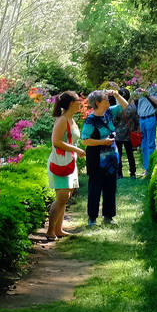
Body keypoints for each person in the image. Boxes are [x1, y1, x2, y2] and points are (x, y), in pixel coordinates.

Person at [81, 88, 129, 226]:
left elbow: (125, 106)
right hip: (97, 160)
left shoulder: (108, 112)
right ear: (97, 102)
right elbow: (85, 140)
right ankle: (92, 218)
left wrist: (117, 94)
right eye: (105, 99)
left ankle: (108, 216)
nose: (108, 100)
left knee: (110, 187)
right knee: (95, 188)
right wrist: (103, 142)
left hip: (112, 159)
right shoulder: (91, 120)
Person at [46, 90, 87, 239]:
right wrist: (76, 149)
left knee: (66, 195)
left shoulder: (71, 119)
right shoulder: (63, 120)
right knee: (62, 196)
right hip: (60, 162)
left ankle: (58, 229)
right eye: (78, 101)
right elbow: (55, 142)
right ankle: (50, 231)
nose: (81, 103)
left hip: (68, 162)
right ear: (71, 103)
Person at [134, 83, 157, 177]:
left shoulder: (154, 88)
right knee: (143, 145)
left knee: (150, 144)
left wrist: (147, 94)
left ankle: (151, 168)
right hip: (141, 119)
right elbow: (132, 102)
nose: (138, 78)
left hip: (150, 118)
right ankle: (146, 169)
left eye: (140, 76)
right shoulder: (137, 90)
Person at [113, 87, 138, 179]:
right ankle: (133, 173)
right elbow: (136, 120)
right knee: (130, 154)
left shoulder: (117, 109)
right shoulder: (132, 108)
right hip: (129, 134)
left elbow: (114, 122)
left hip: (118, 135)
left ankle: (119, 173)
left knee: (118, 154)